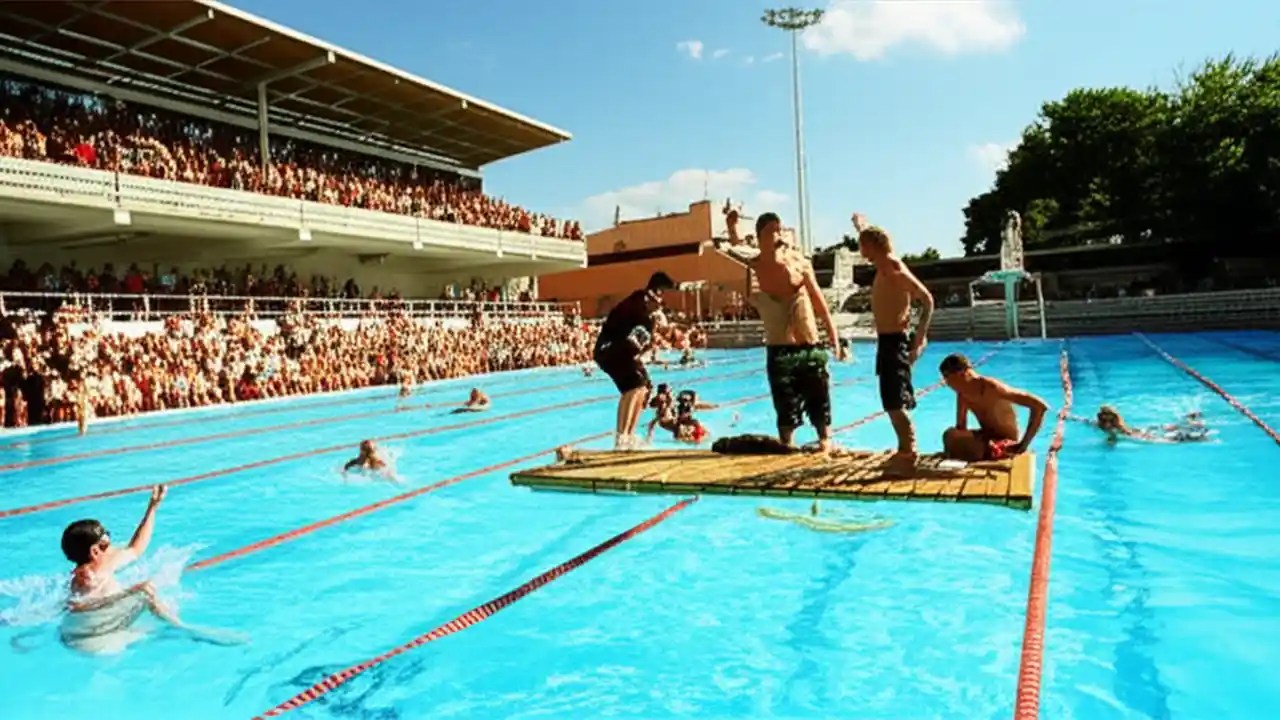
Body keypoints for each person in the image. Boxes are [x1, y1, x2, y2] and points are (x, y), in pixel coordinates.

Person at [59, 486, 242, 652]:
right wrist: (126, 594)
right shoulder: (87, 576)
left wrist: (152, 507)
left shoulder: (102, 564)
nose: (111, 547)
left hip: (104, 625)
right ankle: (180, 628)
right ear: (95, 551)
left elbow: (135, 548)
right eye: (106, 543)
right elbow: (77, 607)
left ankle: (171, 628)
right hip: (88, 633)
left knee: (147, 610)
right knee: (145, 590)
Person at [728, 211, 846, 451]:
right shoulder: (757, 262)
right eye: (772, 231)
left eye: (779, 230)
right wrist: (732, 225)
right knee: (784, 405)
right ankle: (787, 445)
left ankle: (825, 442)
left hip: (808, 343)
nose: (778, 235)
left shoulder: (799, 263)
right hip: (779, 346)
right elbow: (736, 245)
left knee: (819, 400)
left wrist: (835, 340)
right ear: (760, 237)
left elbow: (819, 302)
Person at [855, 212, 935, 473]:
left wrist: (920, 336)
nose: (859, 249)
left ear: (873, 246)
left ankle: (909, 451)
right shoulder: (883, 263)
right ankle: (904, 448)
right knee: (890, 396)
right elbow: (871, 234)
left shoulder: (891, 265)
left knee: (894, 399)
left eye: (862, 244)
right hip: (887, 340)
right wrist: (860, 225)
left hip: (895, 341)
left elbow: (926, 298)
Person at [593, 272, 679, 450]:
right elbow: (632, 342)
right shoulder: (637, 304)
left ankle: (629, 435)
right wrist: (653, 326)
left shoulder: (646, 313)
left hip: (622, 350)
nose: (662, 304)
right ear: (655, 293)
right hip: (609, 349)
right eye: (661, 297)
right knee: (634, 385)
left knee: (644, 386)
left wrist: (653, 334)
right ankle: (621, 436)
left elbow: (637, 347)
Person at [938, 353, 1048, 461]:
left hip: (1005, 441)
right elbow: (960, 428)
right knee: (949, 435)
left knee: (969, 446)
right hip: (986, 439)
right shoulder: (962, 394)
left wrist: (1023, 444)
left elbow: (1039, 406)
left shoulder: (992, 387)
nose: (946, 383)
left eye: (946, 378)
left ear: (961, 373)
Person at [1078, 405, 1210, 443]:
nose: (1107, 423)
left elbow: (1112, 440)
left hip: (1140, 434)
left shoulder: (1117, 429)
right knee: (1171, 429)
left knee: (1169, 439)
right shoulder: (1099, 425)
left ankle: (1194, 430)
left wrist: (1110, 441)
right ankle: (1191, 421)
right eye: (1104, 420)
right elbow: (1085, 421)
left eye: (1109, 421)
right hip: (1141, 431)